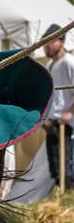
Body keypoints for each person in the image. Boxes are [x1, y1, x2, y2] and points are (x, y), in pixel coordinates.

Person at [42, 23, 74, 186]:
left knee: (66, 168)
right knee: (55, 168)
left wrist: (69, 113)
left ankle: (68, 202)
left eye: (51, 42)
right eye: (45, 43)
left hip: (66, 124)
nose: (47, 46)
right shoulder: (49, 65)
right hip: (53, 122)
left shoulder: (69, 62)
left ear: (61, 41)